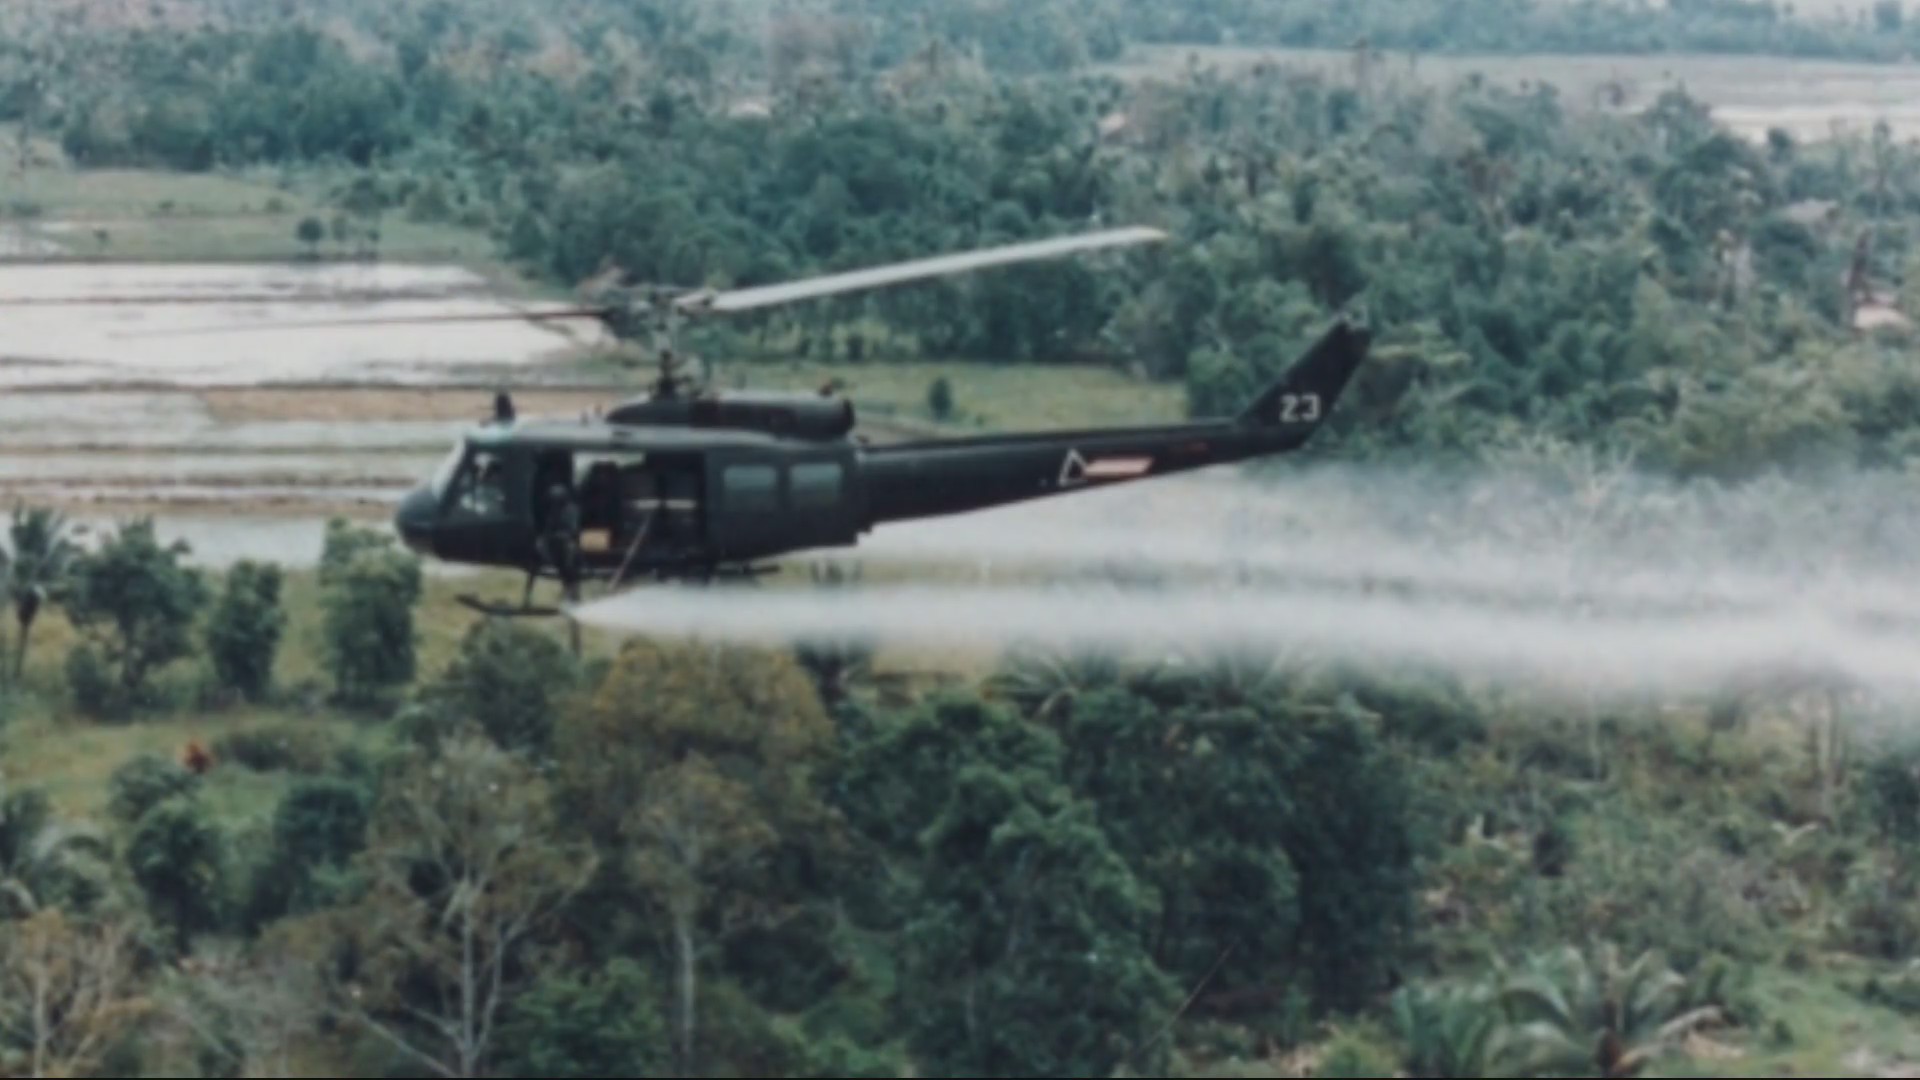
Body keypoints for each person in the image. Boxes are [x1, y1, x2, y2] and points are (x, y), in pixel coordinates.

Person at [538, 481, 581, 593]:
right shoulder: (552, 512)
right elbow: (548, 528)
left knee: (568, 551)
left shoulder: (571, 509)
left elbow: (573, 530)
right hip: (554, 540)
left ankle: (571, 584)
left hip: (568, 540)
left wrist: (560, 535)